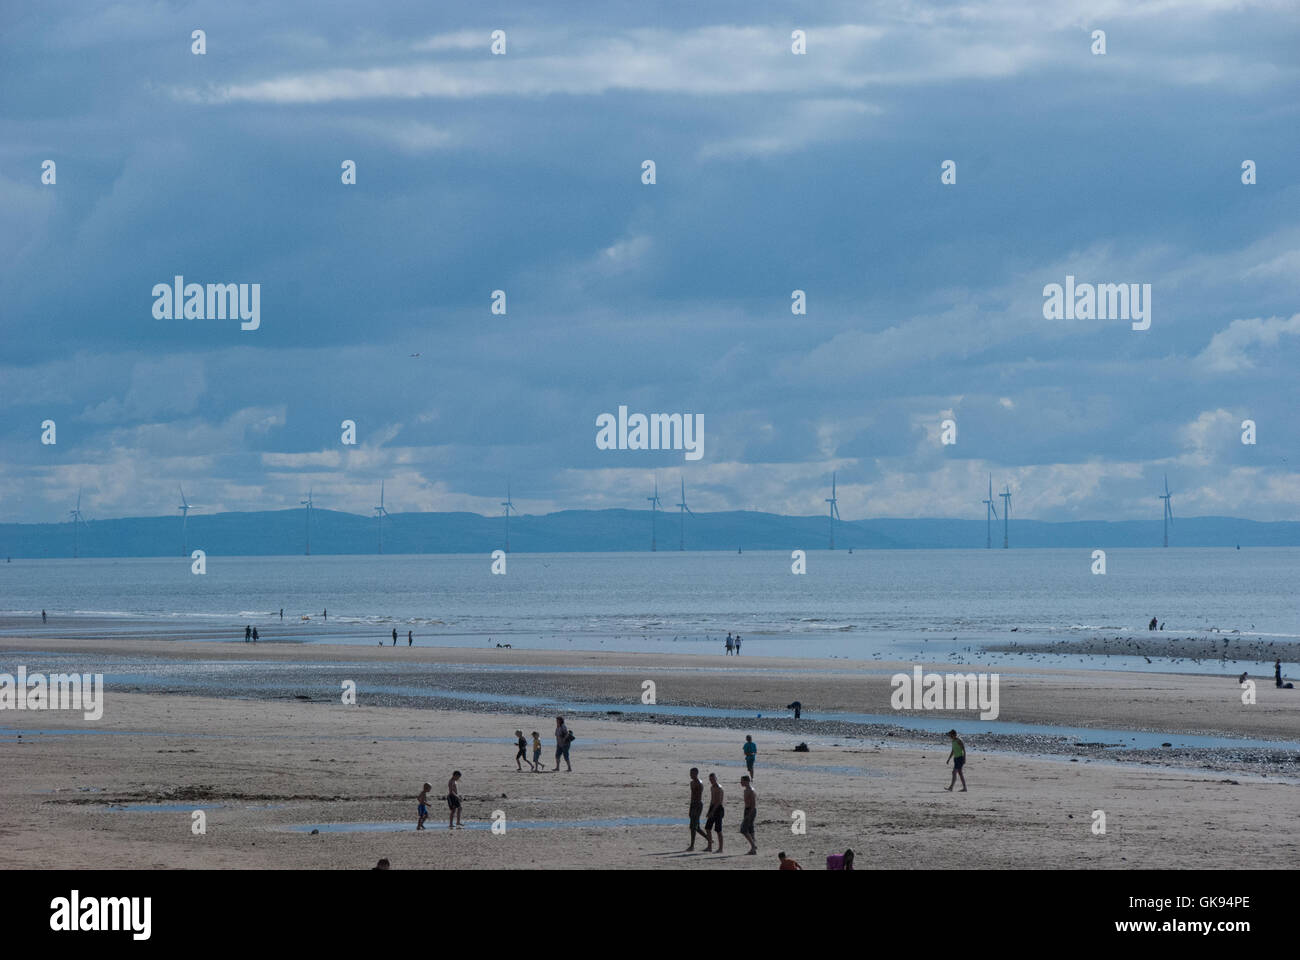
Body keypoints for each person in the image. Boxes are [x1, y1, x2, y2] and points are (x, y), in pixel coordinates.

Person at [687, 768, 709, 851]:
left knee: (693, 827)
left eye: (692, 773)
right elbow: (692, 796)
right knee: (697, 827)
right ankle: (709, 839)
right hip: (693, 804)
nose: (691, 775)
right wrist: (690, 807)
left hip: (697, 805)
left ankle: (692, 846)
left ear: (696, 774)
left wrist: (695, 809)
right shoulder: (691, 783)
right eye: (690, 773)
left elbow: (698, 797)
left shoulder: (699, 784)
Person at [704, 773, 725, 853]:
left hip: (718, 809)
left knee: (718, 830)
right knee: (707, 828)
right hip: (712, 808)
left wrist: (712, 811)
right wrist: (709, 811)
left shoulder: (720, 788)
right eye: (710, 779)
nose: (711, 781)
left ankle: (720, 848)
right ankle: (709, 847)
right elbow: (712, 800)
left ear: (716, 778)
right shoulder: (712, 787)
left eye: (713, 779)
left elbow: (719, 802)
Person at [739, 775, 757, 855]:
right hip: (747, 810)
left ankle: (753, 846)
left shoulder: (751, 791)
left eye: (742, 781)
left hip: (750, 810)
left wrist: (749, 815)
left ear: (747, 781)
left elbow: (753, 805)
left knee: (743, 829)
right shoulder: (746, 790)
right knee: (750, 829)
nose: (741, 782)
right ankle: (753, 849)